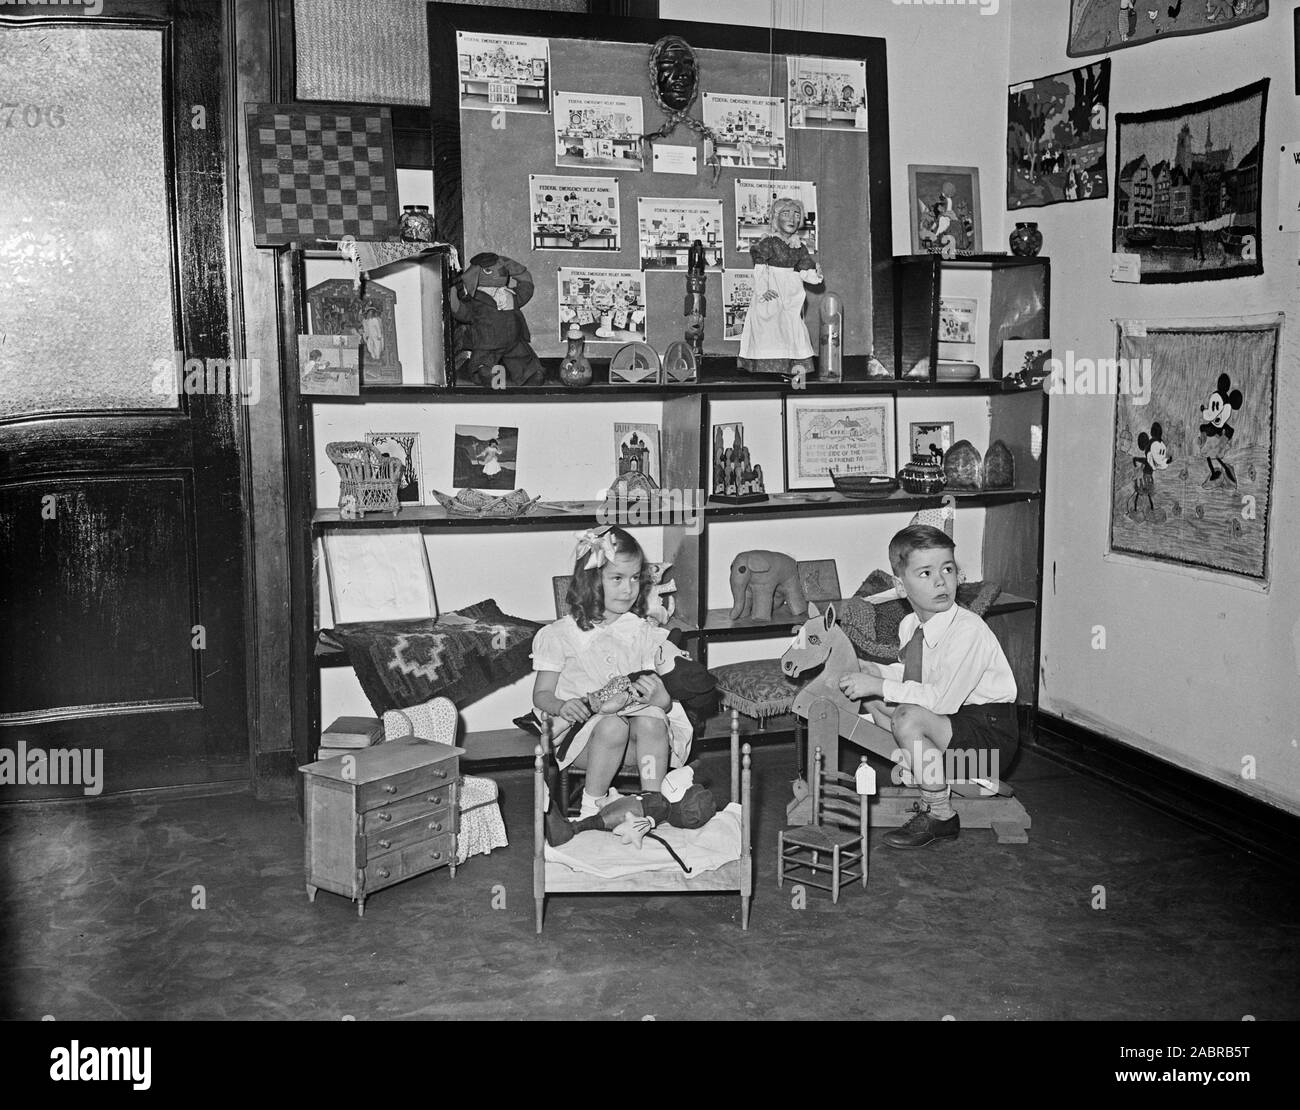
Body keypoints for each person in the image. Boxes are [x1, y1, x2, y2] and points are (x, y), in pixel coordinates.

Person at [836, 524, 1018, 849]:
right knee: (878, 700)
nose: (940, 581)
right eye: (925, 573)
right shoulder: (911, 626)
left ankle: (941, 813)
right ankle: (919, 765)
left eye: (947, 569)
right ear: (899, 584)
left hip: (989, 739)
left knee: (907, 716)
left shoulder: (968, 631)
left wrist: (877, 684)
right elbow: (911, 678)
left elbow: (940, 701)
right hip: (955, 726)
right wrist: (870, 671)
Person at [531, 526, 694, 819]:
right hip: (583, 741)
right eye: (617, 578)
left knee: (653, 719)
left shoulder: (642, 631)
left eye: (635, 578)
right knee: (612, 725)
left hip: (640, 745)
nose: (628, 589)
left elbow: (662, 697)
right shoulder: (560, 635)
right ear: (591, 580)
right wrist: (562, 706)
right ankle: (592, 806)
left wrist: (662, 699)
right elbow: (542, 694)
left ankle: (652, 801)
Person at [739, 197, 823, 377]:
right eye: (786, 214)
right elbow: (760, 269)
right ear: (776, 218)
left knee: (792, 328)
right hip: (772, 290)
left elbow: (805, 270)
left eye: (796, 214)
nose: (792, 219)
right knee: (768, 328)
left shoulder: (799, 246)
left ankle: (790, 366)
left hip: (792, 293)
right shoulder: (768, 243)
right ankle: (765, 368)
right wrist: (763, 290)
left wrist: (816, 275)